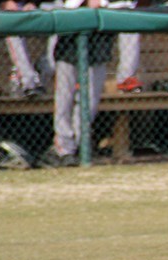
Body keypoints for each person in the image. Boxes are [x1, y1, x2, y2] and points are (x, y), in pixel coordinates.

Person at [40, 0, 113, 167]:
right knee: (64, 98)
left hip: (99, 36)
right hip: (69, 35)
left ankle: (80, 144)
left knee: (90, 100)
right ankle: (64, 148)